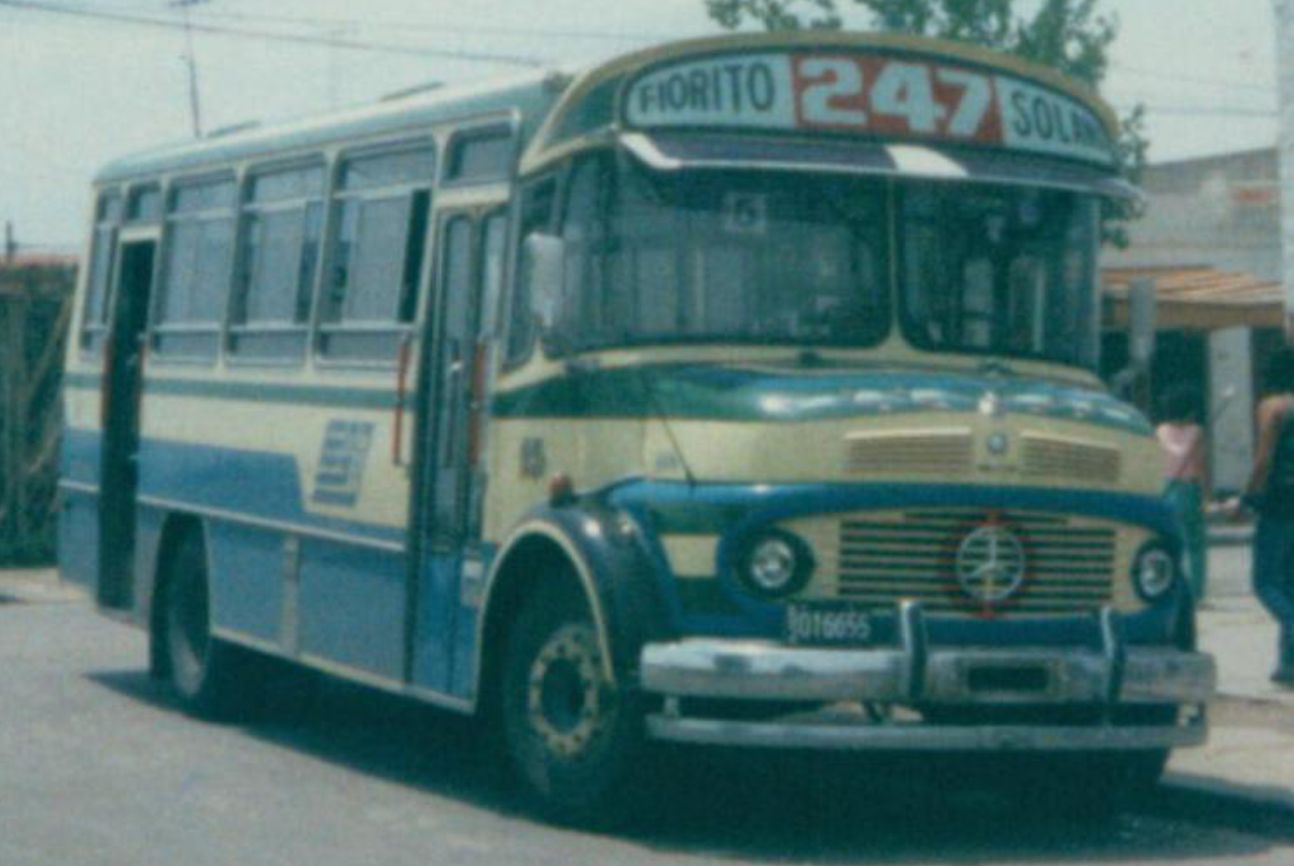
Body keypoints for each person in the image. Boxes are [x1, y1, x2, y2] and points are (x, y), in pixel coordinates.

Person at [1240, 346, 1294, 687]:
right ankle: (1287, 666)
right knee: (1289, 583)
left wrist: (1247, 498)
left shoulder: (1273, 407)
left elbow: (1263, 461)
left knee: (1265, 582)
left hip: (1279, 501)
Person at [1156, 385, 1208, 602]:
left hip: (1165, 488)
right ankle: (1196, 592)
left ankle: (1168, 586)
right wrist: (1206, 496)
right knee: (1195, 544)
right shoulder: (1196, 431)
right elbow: (1201, 465)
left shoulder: (1159, 431)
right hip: (1188, 488)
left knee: (1169, 540)